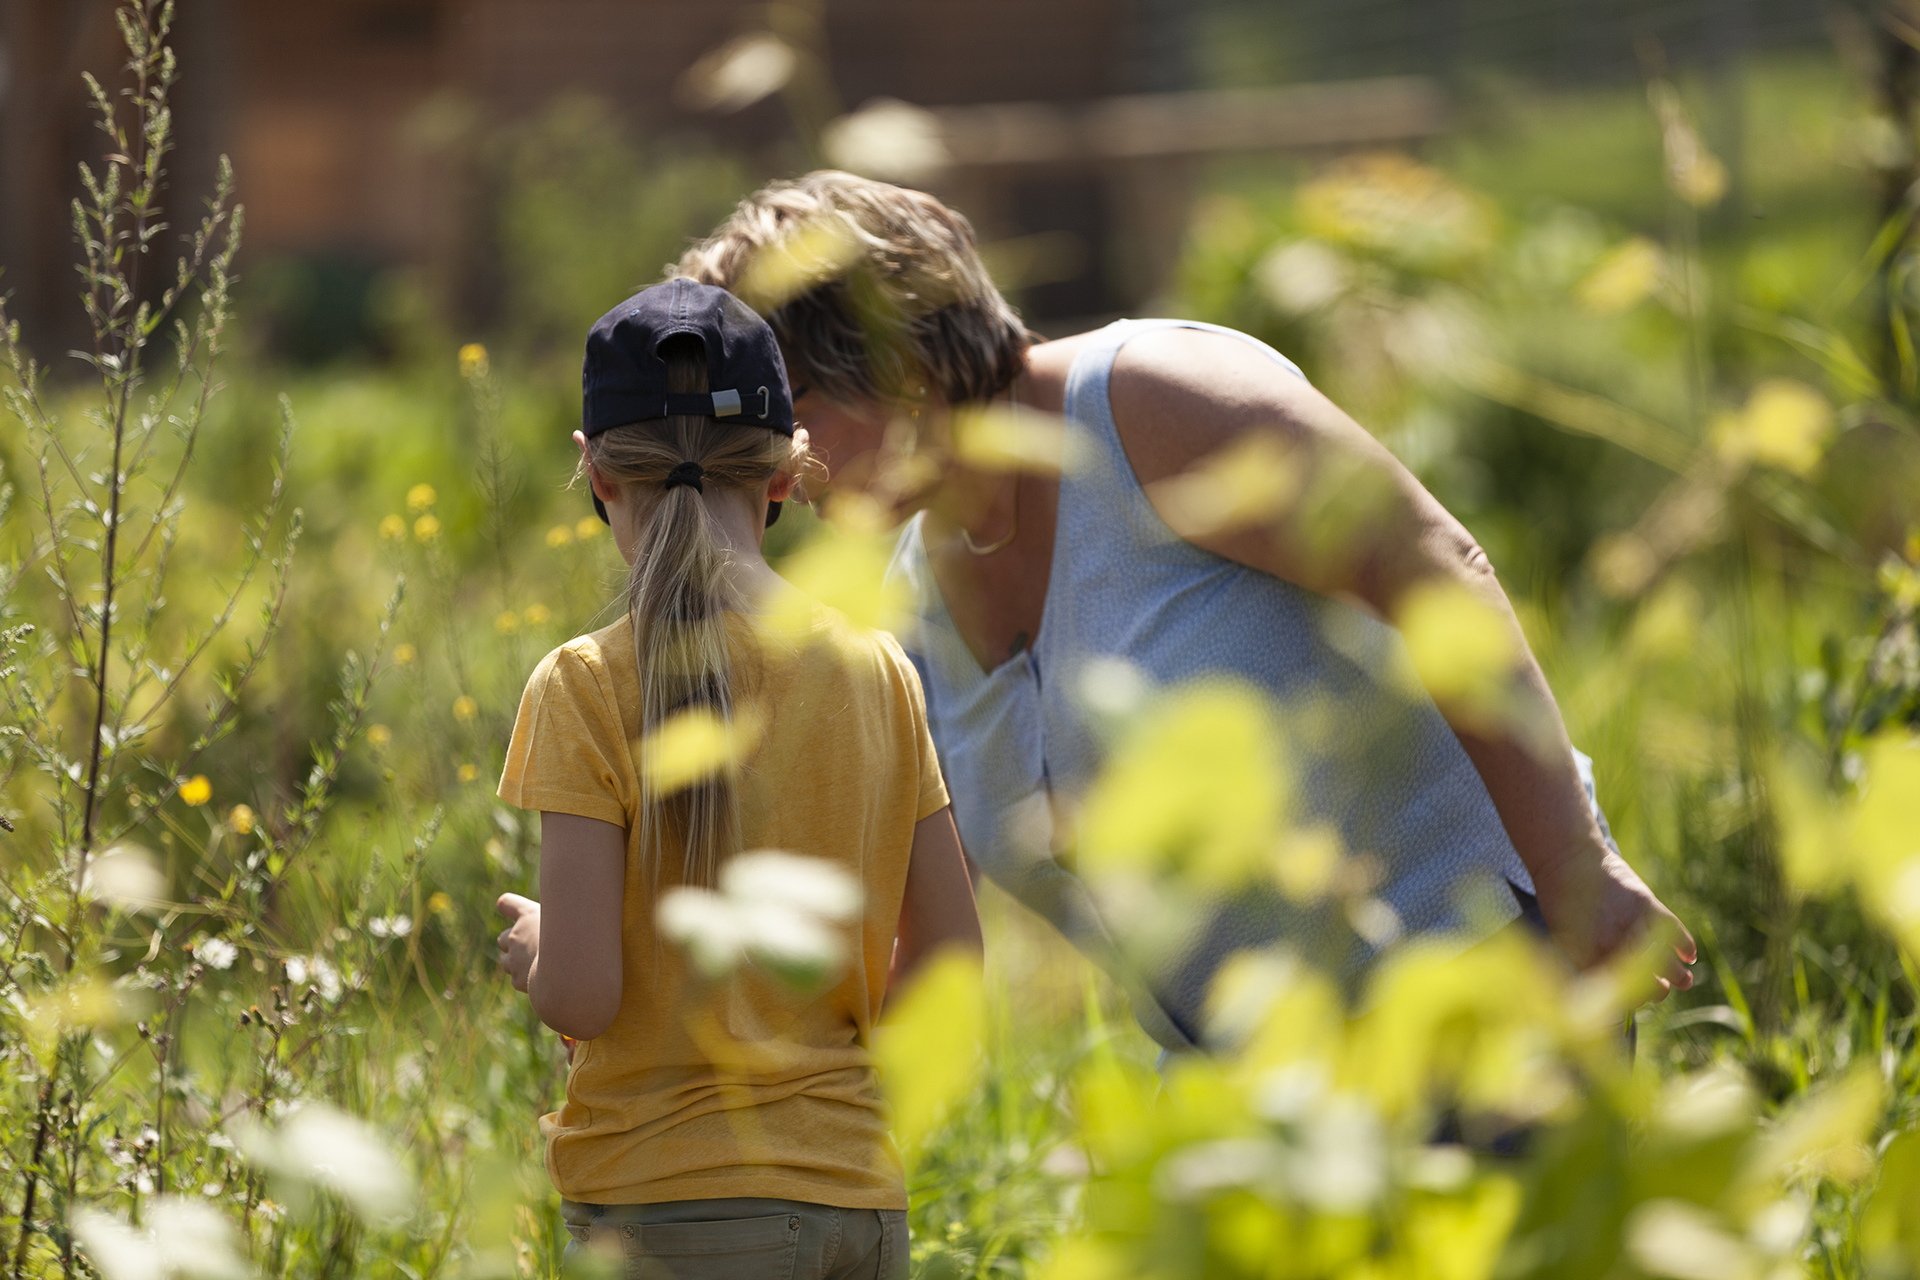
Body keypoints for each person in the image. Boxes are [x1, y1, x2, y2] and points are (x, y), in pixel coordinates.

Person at [675, 171, 1695, 1054]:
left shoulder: (1148, 404)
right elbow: (909, 934)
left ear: (886, 349)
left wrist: (1576, 865)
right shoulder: (910, 607)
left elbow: (1431, 566)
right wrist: (657, 981)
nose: (772, 456)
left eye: (780, 402)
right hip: (1263, 1097)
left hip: (1479, 979)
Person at [491, 278, 980, 1279]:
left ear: (595, 474)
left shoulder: (585, 683)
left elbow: (583, 993)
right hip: (857, 1200)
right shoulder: (879, 668)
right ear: (785, 472)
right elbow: (951, 962)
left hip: (667, 1212)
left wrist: (542, 944)